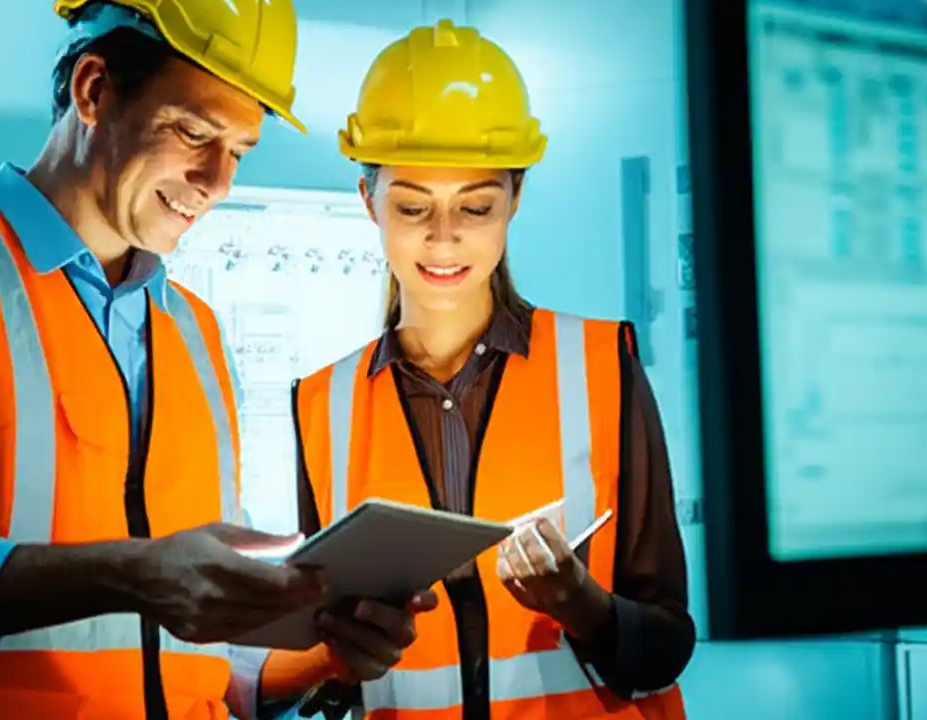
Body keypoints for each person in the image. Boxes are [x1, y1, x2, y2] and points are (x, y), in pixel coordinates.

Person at [0, 2, 432, 718]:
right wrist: (128, 574)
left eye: (239, 152)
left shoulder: (196, 331)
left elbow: (207, 665)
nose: (217, 181)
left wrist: (325, 654)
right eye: (193, 132)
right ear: (93, 90)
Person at [258, 19, 695, 720]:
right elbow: (331, 663)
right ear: (368, 200)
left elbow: (668, 643)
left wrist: (581, 604)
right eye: (412, 206)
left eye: (476, 206)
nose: (443, 237)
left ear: (515, 198)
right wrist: (330, 661)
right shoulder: (320, 404)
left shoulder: (601, 367)